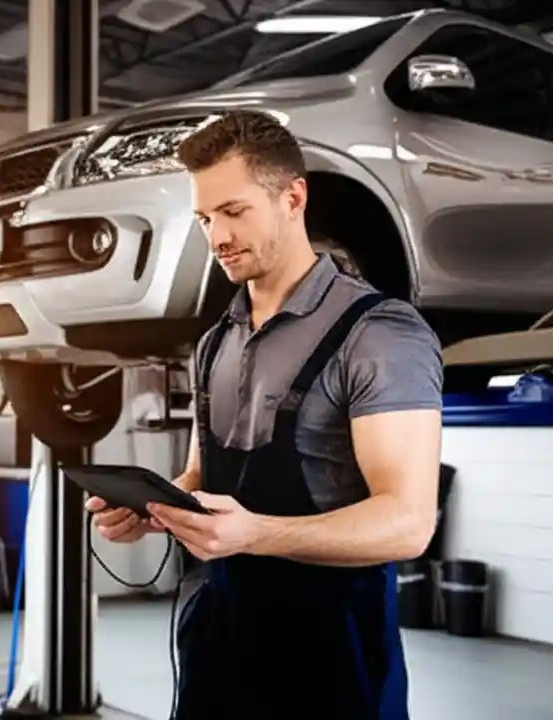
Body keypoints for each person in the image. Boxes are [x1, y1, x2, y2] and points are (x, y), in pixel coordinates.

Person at [87, 109, 443, 720]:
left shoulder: (379, 333)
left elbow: (407, 523)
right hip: (217, 645)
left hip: (334, 660)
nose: (217, 236)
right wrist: (158, 506)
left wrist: (258, 534)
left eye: (233, 211)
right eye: (204, 218)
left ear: (293, 198)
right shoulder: (214, 342)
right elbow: (203, 477)